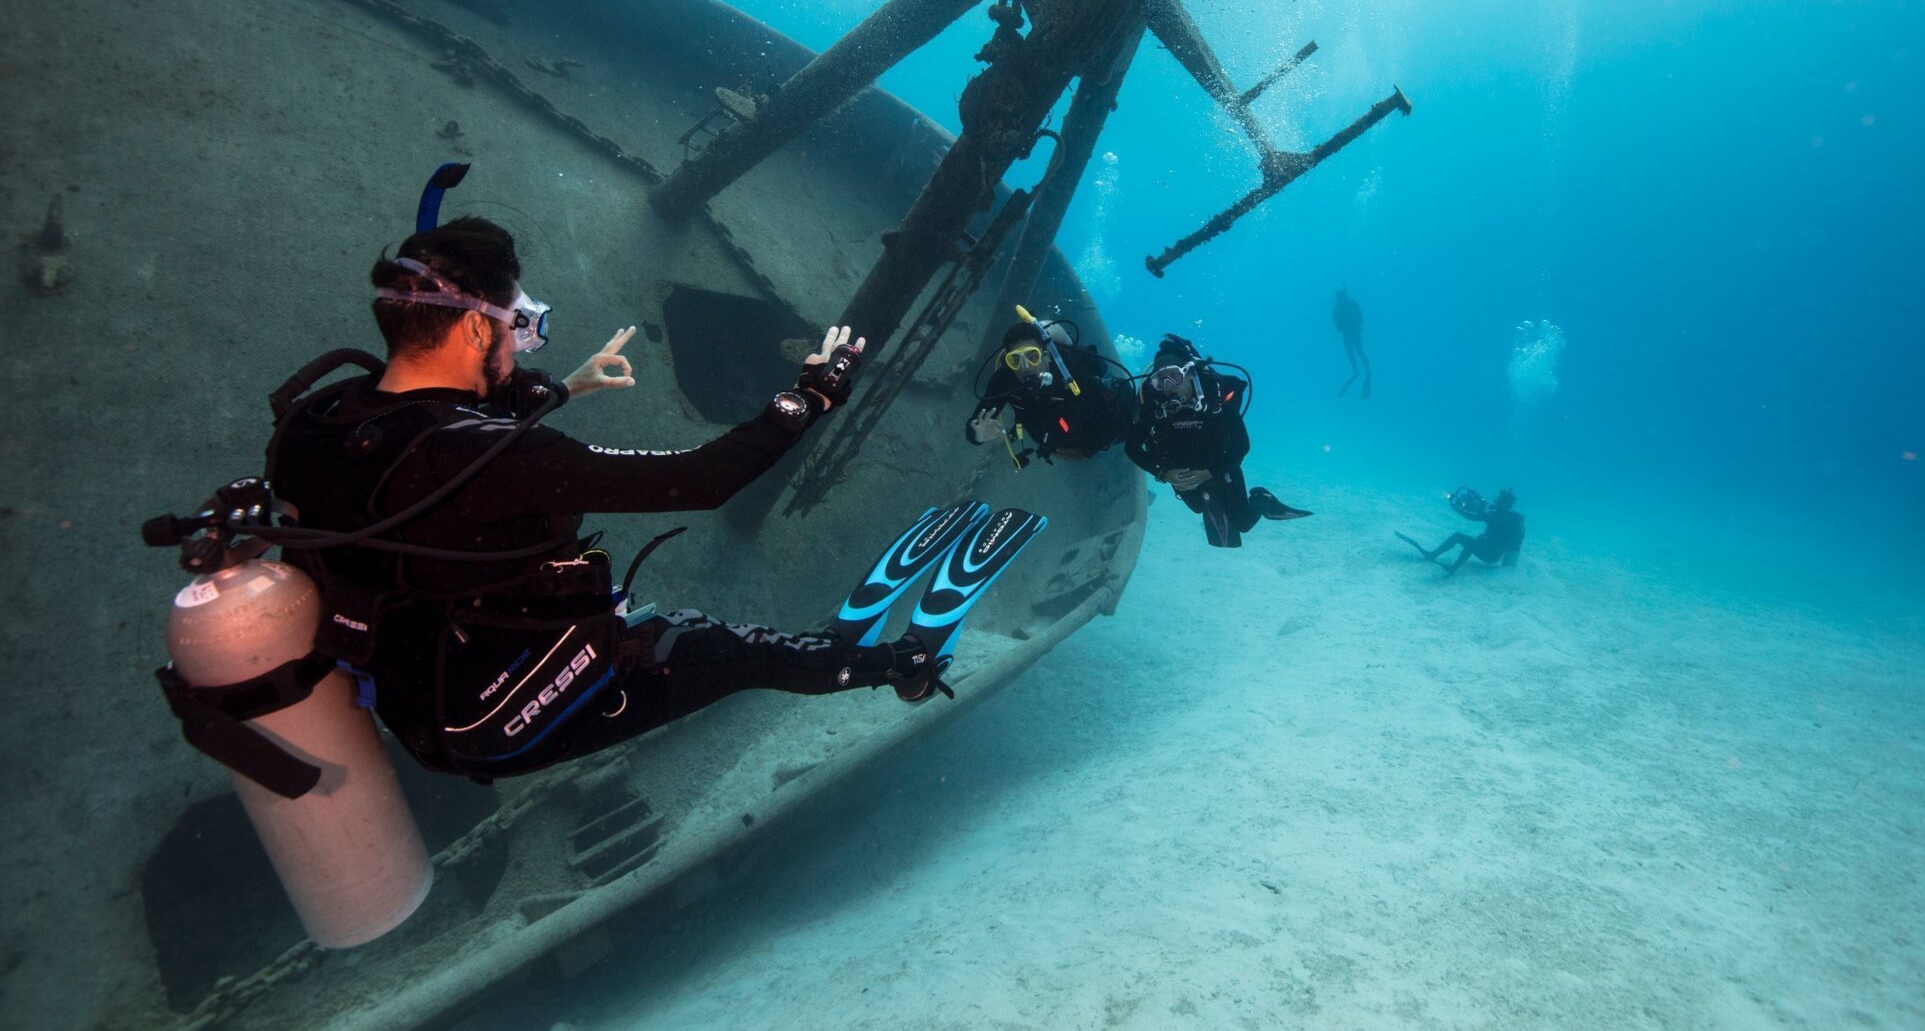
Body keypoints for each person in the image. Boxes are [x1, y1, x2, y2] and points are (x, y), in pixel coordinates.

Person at [262, 214, 950, 780]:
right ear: (475, 329)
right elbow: (705, 478)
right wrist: (811, 397)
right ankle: (902, 667)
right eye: (515, 324)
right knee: (732, 651)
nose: (522, 341)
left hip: (412, 691)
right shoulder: (503, 459)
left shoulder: (323, 418)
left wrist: (566, 386)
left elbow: (435, 441)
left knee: (651, 626)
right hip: (490, 716)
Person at [1125, 334, 1310, 548]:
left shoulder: (1214, 400)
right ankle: (1210, 492)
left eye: (1174, 376)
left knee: (1244, 523)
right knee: (1197, 507)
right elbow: (1132, 446)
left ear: (1189, 373)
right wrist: (1162, 473)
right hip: (1181, 468)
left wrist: (1210, 472)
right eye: (1160, 380)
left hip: (1220, 463)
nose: (1168, 386)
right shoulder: (1155, 405)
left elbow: (1242, 445)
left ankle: (1262, 499)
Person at [965, 309, 1137, 466]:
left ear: (1046, 355)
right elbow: (976, 422)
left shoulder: (1074, 377)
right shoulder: (1005, 378)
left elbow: (1118, 424)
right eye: (1015, 359)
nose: (1025, 367)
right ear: (1008, 361)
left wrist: (1086, 451)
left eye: (1033, 356)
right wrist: (978, 436)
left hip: (1080, 430)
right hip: (1046, 431)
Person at [1397, 487, 1524, 574]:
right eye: (1499, 499)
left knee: (1459, 537)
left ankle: (1435, 556)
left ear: (1507, 504)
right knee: (1470, 543)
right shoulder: (1494, 513)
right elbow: (1472, 517)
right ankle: (1453, 567)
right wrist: (1454, 506)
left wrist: (1483, 513)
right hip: (1487, 548)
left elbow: (1497, 523)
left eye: (1501, 501)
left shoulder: (1511, 518)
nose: (1497, 501)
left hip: (1492, 555)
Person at [1333, 286, 1370, 398]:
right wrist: (1358, 325)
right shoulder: (1350, 304)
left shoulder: (1339, 306)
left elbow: (1335, 320)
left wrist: (1340, 327)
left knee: (1353, 352)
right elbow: (1360, 317)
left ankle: (1357, 371)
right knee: (1358, 352)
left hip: (1349, 332)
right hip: (1353, 332)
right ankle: (1364, 369)